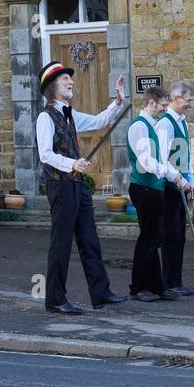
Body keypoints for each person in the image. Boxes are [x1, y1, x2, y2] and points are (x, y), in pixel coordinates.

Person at [35, 61, 130, 314]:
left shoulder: (71, 114)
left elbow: (99, 122)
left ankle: (100, 293)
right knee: (61, 244)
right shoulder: (45, 117)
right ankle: (55, 299)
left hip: (78, 185)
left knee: (90, 241)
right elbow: (45, 154)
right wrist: (72, 163)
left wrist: (117, 101)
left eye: (70, 78)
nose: (71, 82)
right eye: (66, 78)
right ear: (52, 86)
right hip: (60, 186)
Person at [127, 85, 194, 302]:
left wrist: (180, 178)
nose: (165, 110)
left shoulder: (152, 125)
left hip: (154, 188)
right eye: (163, 105)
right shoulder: (139, 126)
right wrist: (174, 176)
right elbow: (146, 161)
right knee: (147, 239)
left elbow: (162, 160)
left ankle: (157, 286)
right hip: (143, 187)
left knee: (155, 239)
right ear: (151, 103)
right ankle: (138, 287)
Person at [156, 81, 194, 296]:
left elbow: (186, 156)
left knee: (179, 234)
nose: (190, 105)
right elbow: (162, 158)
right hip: (169, 186)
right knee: (170, 233)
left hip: (182, 185)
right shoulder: (165, 123)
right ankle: (168, 281)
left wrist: (191, 181)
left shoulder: (182, 122)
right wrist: (179, 179)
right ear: (174, 99)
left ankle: (176, 280)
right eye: (188, 100)